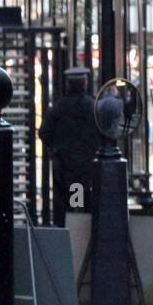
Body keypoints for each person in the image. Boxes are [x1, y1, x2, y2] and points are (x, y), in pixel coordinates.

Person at [38, 67, 100, 227]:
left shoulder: (59, 107)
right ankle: (79, 241)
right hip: (86, 170)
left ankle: (69, 241)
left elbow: (44, 132)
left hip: (65, 169)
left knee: (71, 210)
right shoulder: (94, 107)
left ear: (68, 85)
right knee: (79, 210)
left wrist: (56, 149)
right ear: (85, 83)